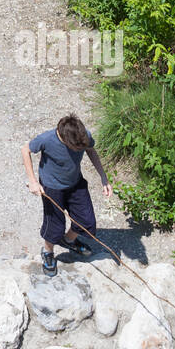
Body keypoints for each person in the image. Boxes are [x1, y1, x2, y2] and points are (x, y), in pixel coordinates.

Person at [22, 116, 112, 276]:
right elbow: (25, 150)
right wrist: (33, 181)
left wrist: (103, 177)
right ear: (64, 139)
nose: (78, 150)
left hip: (75, 183)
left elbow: (91, 150)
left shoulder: (83, 136)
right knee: (54, 226)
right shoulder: (47, 139)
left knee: (86, 221)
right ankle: (48, 252)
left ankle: (68, 241)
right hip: (52, 188)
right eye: (75, 148)